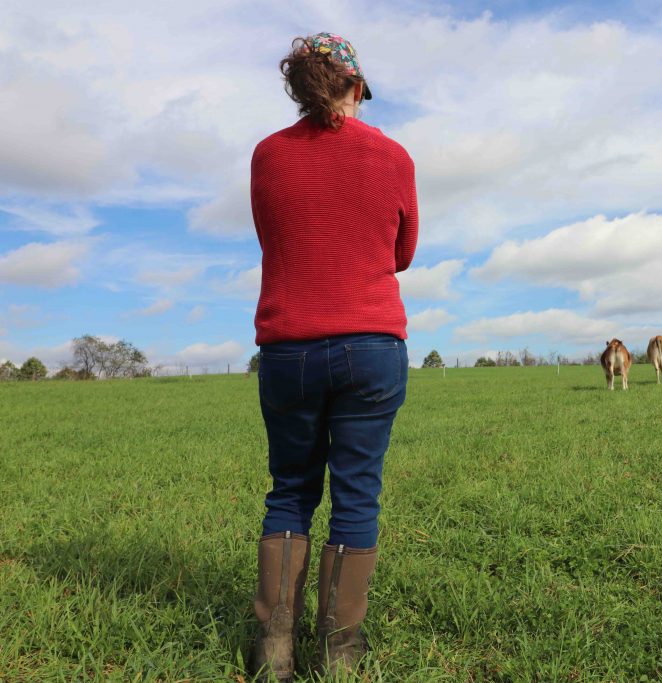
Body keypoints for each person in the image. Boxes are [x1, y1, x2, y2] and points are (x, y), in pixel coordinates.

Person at [247, 32, 418, 682]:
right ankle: (340, 655)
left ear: (299, 87)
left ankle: (274, 653)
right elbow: (401, 253)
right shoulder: (393, 156)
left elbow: (274, 234)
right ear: (353, 88)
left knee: (290, 490)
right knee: (355, 496)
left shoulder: (267, 156)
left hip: (287, 347)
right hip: (371, 346)